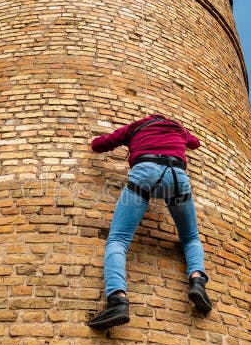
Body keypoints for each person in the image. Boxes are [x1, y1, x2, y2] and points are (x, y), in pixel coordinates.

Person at [86, 113, 212, 330]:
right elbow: (196, 143)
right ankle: (197, 280)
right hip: (177, 177)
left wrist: (93, 142)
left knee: (118, 240)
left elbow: (100, 145)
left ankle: (117, 300)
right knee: (190, 237)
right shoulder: (178, 127)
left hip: (145, 172)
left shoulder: (135, 127)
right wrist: (180, 132)